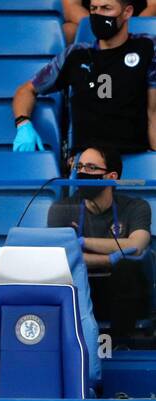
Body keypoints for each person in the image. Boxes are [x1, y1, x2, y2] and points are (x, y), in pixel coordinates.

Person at [13, 0, 156, 157]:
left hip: (134, 155)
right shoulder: (75, 55)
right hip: (88, 163)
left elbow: (154, 113)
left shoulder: (147, 48)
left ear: (127, 12)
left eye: (106, 8)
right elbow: (26, 90)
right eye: (93, 9)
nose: (98, 15)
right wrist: (23, 123)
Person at [48, 146, 153, 345]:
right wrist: (108, 258)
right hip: (81, 292)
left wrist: (82, 243)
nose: (82, 173)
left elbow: (136, 245)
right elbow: (59, 257)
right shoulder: (62, 208)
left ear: (111, 176)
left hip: (122, 295)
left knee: (127, 267)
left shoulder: (136, 207)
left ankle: (120, 344)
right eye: (79, 167)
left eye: (90, 168)